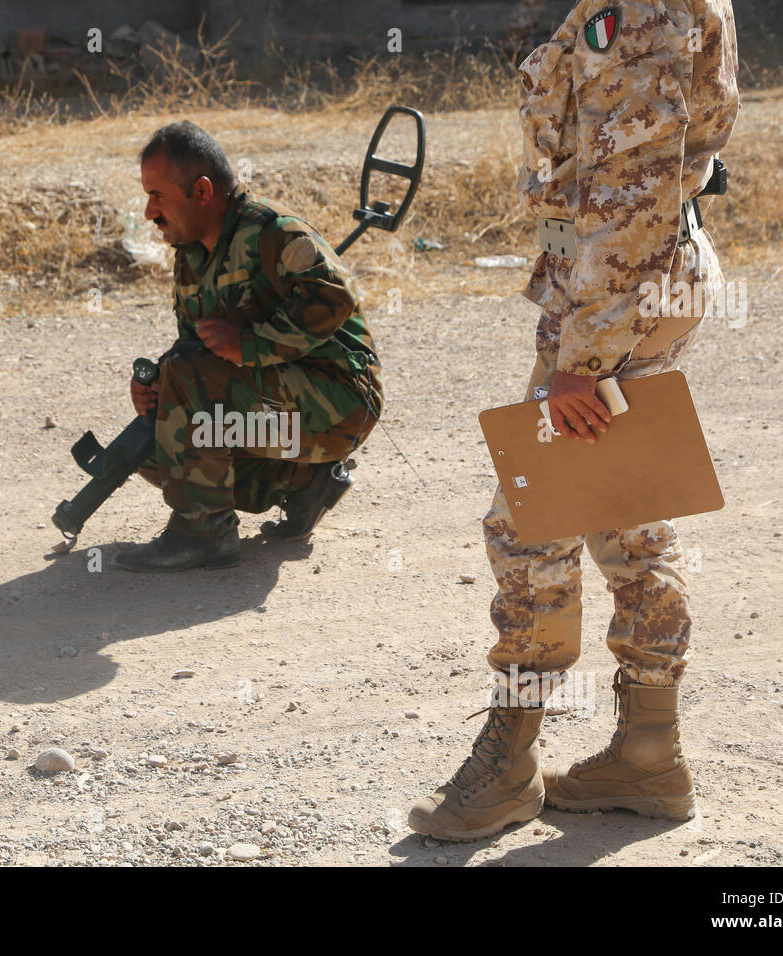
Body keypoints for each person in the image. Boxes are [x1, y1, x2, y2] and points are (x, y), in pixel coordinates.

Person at [409, 0, 739, 840]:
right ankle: (647, 754)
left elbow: (635, 185)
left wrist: (578, 363)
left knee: (529, 520)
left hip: (615, 294)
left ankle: (511, 763)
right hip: (618, 286)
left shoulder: (641, 8)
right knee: (624, 512)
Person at [115, 122, 383, 573]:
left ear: (202, 191)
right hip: (282, 414)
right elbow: (196, 349)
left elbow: (335, 298)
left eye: (158, 196)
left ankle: (203, 535)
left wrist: (252, 345)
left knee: (187, 387)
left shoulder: (273, 232)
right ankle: (303, 481)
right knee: (157, 445)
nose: (148, 212)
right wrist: (160, 383)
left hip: (340, 403)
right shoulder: (191, 256)